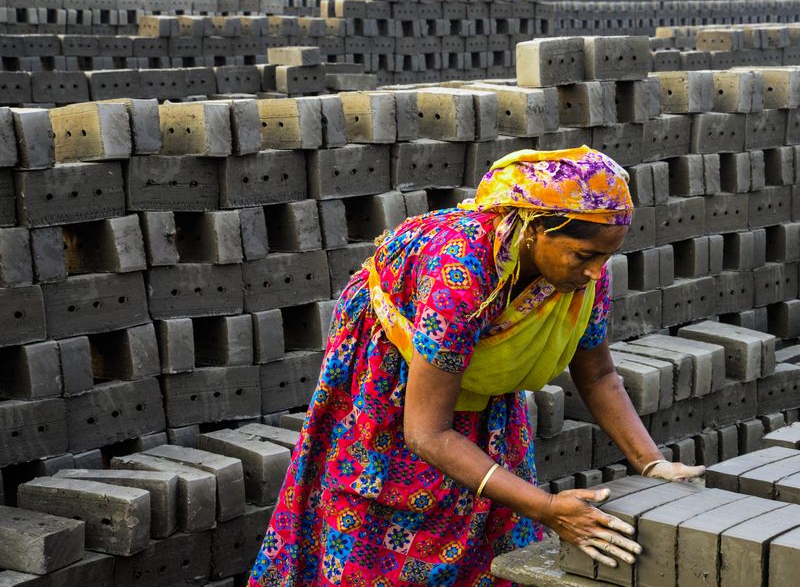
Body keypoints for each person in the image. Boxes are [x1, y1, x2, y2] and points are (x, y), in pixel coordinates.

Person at [249, 146, 704, 587]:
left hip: (481, 390)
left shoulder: (581, 279)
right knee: (379, 526)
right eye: (585, 255)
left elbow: (599, 375)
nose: (596, 272)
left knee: (492, 523)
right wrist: (547, 507)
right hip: (395, 385)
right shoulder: (461, 269)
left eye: (606, 256)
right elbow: (427, 433)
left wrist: (652, 464)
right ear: (534, 229)